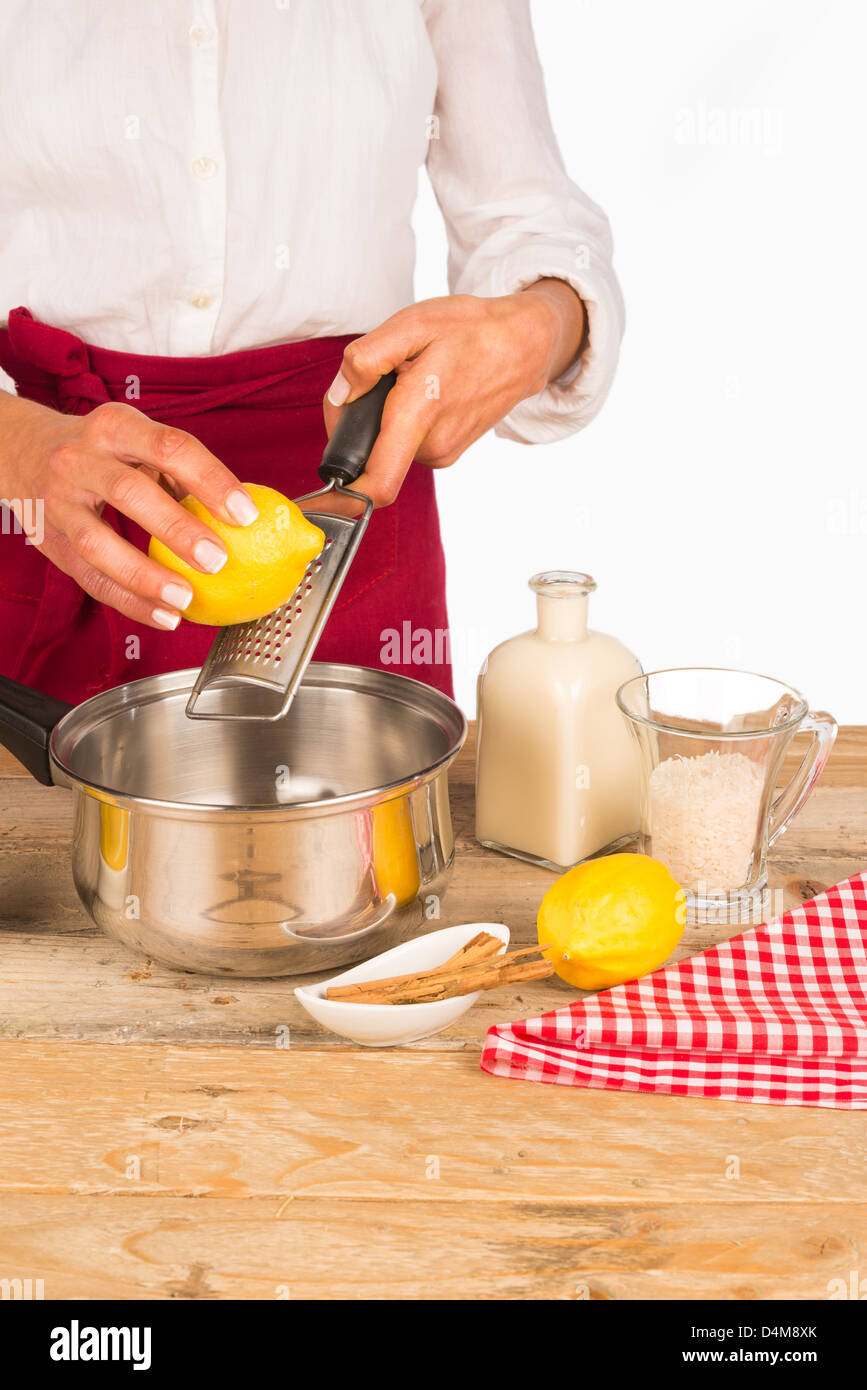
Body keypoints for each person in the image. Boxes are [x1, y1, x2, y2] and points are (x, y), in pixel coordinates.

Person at [0, 0, 624, 704]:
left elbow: (534, 224)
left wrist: (536, 325)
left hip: (352, 487)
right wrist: (14, 444)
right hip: (44, 493)